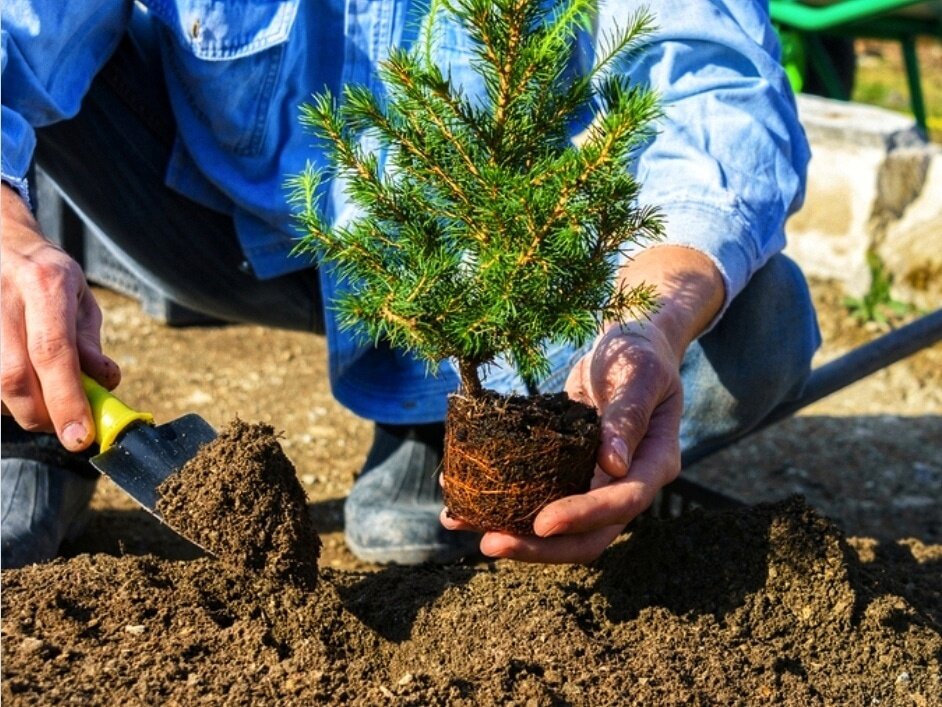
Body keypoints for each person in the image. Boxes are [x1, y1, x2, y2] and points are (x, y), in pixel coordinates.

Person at [1, 0, 820, 569]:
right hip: (228, 217)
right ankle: (20, 410)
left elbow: (716, 89)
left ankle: (441, 421)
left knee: (757, 324)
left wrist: (651, 324)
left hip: (503, 263)